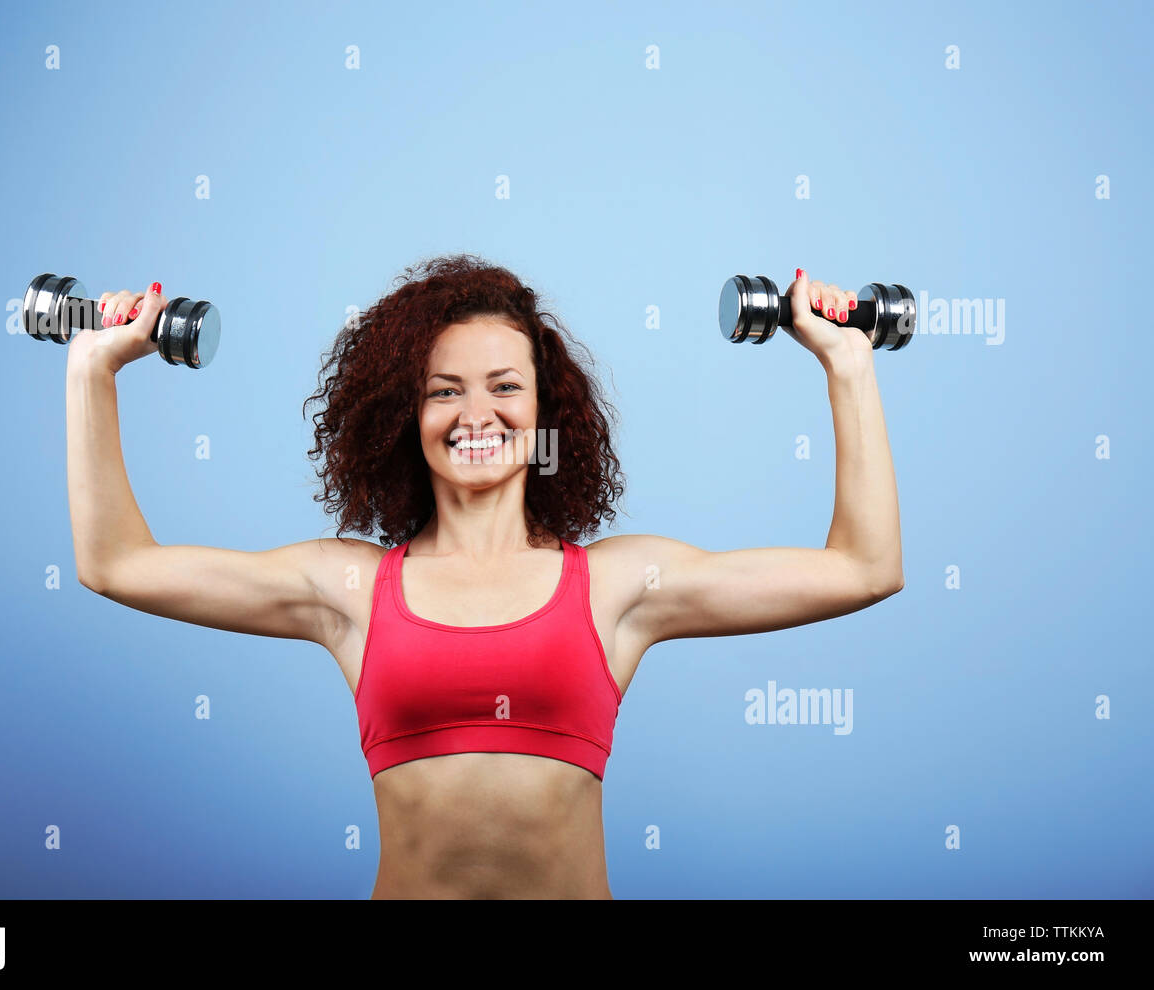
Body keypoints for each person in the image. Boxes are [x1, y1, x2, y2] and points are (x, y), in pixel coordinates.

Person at [66, 254, 903, 899]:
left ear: (546, 408)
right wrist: (92, 370)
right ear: (409, 415)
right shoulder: (347, 591)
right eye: (444, 391)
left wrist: (848, 362)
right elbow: (117, 564)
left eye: (506, 386)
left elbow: (862, 569)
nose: (477, 415)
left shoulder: (618, 587)